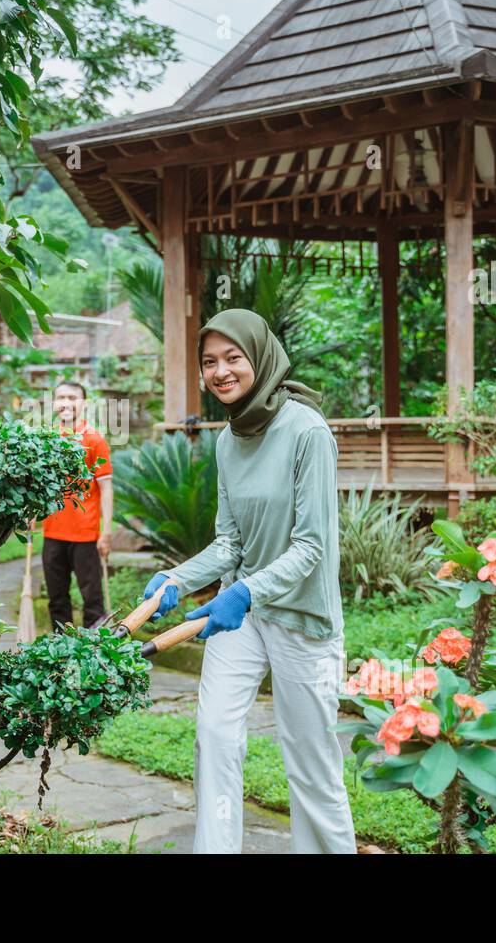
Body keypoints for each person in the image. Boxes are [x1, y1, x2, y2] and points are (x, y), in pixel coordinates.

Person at [141, 309, 356, 854]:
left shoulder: (308, 431)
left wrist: (243, 592)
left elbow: (312, 546)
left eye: (233, 358)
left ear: (260, 358)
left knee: (311, 763)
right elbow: (231, 543)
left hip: (302, 619)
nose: (221, 372)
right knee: (213, 737)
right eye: (210, 362)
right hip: (245, 616)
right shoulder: (228, 439)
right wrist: (175, 577)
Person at [39, 381, 113, 629]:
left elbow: (106, 488)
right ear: (53, 403)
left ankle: (95, 651)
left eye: (73, 397)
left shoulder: (94, 440)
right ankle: (62, 652)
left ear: (83, 403)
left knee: (92, 599)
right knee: (57, 598)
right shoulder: (46, 439)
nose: (66, 403)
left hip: (86, 534)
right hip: (52, 531)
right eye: (60, 397)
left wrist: (107, 531)